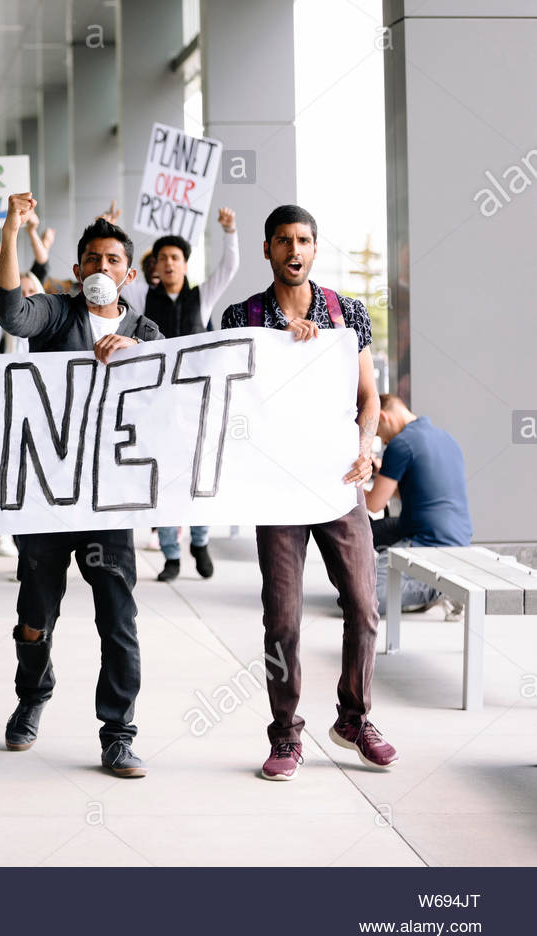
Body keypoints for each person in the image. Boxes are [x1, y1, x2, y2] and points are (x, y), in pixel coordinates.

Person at [220, 204, 396, 781]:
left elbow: (369, 397)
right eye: (282, 241)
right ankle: (285, 733)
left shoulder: (347, 316)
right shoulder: (242, 317)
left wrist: (367, 445)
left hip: (338, 482)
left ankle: (354, 718)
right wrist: (284, 355)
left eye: (303, 241)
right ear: (268, 249)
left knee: (365, 608)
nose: (293, 250)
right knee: (284, 620)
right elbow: (227, 398)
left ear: (315, 249)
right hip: (278, 491)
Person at [0, 193, 162, 778]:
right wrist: (14, 227)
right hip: (47, 496)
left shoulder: (148, 330)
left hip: (108, 500)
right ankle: (32, 695)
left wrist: (139, 353)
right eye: (91, 259)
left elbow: (172, 390)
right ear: (77, 269)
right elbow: (13, 312)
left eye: (113, 260)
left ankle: (118, 732)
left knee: (117, 619)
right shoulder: (57, 314)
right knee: (35, 613)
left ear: (129, 272)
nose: (101, 269)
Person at [147, 207, 240, 582]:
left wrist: (229, 230)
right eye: (163, 258)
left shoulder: (201, 298)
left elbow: (228, 268)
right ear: (155, 265)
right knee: (164, 480)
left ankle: (200, 541)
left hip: (198, 405)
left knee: (200, 477)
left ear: (185, 264)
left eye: (175, 258)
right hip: (157, 407)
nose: (169, 263)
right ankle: (171, 554)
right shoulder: (142, 296)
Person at [366, 393, 472, 615]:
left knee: (366, 600)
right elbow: (415, 493)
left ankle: (440, 590)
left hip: (427, 540)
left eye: (379, 435)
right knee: (362, 534)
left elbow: (375, 504)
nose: (383, 441)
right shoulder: (445, 438)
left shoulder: (400, 444)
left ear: (383, 417)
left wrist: (351, 485)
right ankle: (399, 578)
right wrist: (382, 474)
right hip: (455, 537)